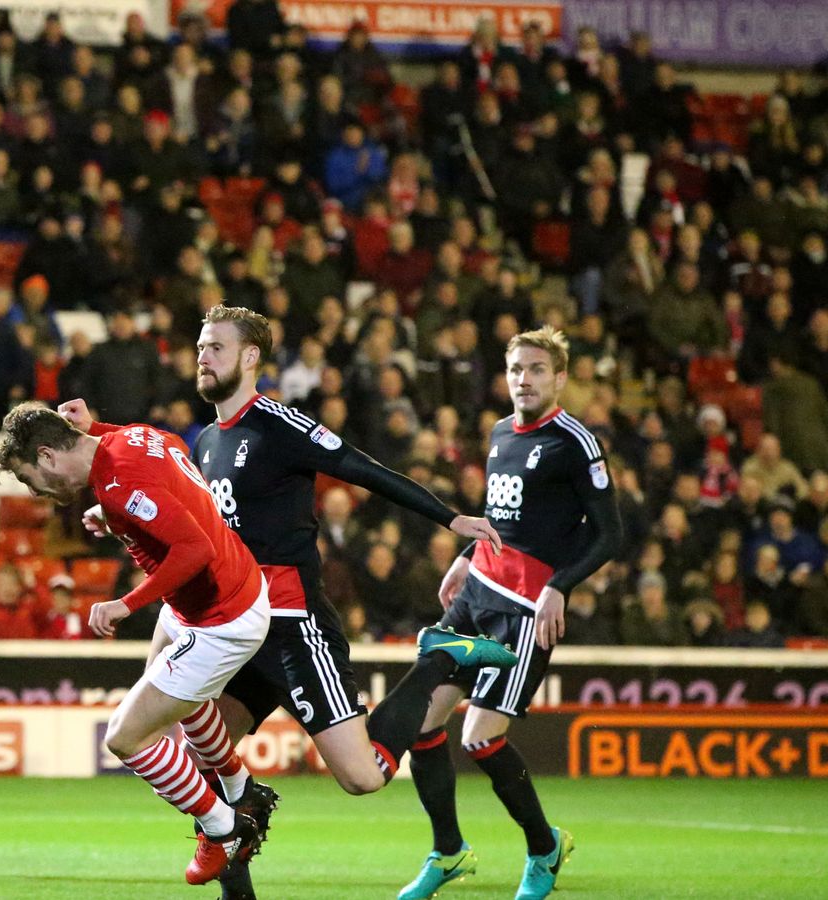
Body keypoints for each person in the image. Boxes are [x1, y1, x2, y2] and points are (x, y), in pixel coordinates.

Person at [60, 305, 512, 895]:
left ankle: (438, 659)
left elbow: (361, 468)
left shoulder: (277, 423)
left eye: (215, 347)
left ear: (251, 358)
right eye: (199, 346)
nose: (202, 356)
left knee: (362, 777)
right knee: (205, 761)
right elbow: (170, 504)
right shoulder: (204, 441)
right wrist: (101, 479)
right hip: (231, 620)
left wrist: (449, 517)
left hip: (292, 621)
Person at [0, 403, 269, 887]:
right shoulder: (130, 437)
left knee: (124, 737)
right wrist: (105, 468)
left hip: (221, 616)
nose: (34, 491)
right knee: (174, 696)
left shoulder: (120, 483)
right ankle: (241, 787)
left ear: (47, 455)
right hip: (223, 592)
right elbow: (169, 454)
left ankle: (224, 827)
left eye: (29, 477)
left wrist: (127, 602)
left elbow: (195, 548)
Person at [401, 325, 622, 900]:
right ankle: (448, 853)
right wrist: (468, 556)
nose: (524, 379)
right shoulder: (501, 432)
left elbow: (610, 533)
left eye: (537, 369)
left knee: (478, 737)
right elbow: (509, 518)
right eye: (516, 369)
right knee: (422, 721)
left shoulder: (575, 441)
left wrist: (561, 587)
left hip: (524, 610)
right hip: (477, 593)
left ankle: (544, 847)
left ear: (561, 377)